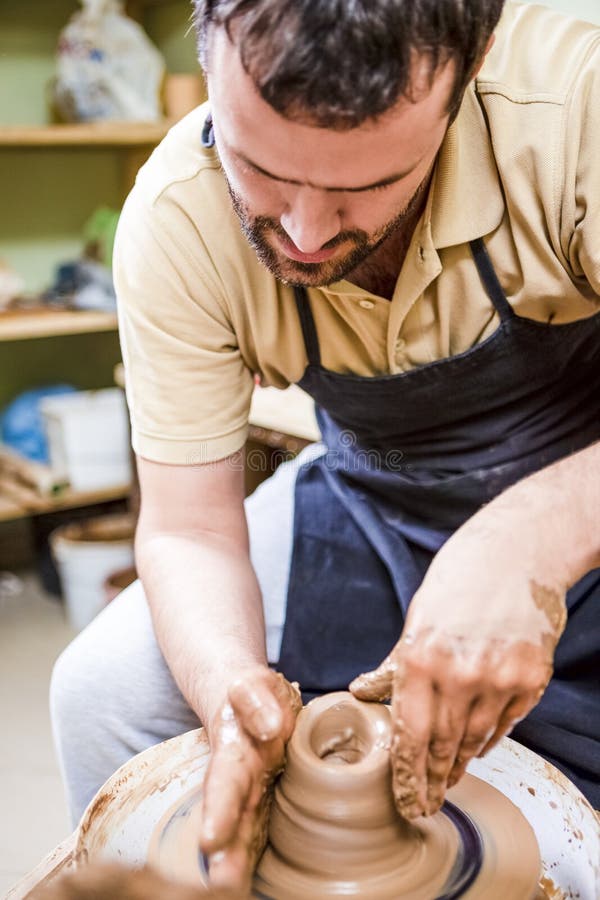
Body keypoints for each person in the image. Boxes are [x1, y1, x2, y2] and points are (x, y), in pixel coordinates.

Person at [51, 0, 600, 893]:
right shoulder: (178, 213)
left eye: (368, 185)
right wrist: (232, 692)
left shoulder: (576, 104)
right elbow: (187, 529)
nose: (304, 235)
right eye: (259, 168)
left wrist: (529, 542)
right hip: (372, 497)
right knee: (103, 689)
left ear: (473, 67)